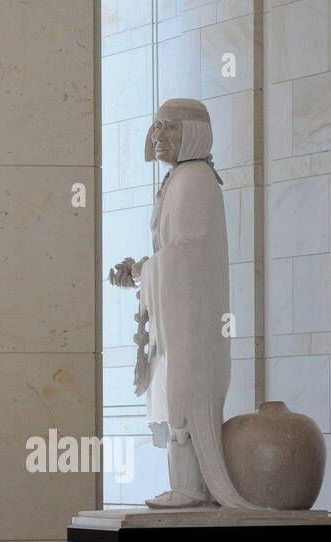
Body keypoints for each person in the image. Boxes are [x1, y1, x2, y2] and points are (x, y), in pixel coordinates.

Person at [108, 98, 255, 509]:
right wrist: (143, 269)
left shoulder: (193, 178)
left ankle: (192, 489)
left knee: (185, 399)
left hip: (194, 318)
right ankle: (187, 486)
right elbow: (177, 253)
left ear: (193, 133)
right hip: (182, 315)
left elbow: (189, 252)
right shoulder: (181, 177)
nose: (158, 136)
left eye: (169, 127)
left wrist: (143, 271)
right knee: (177, 396)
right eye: (156, 127)